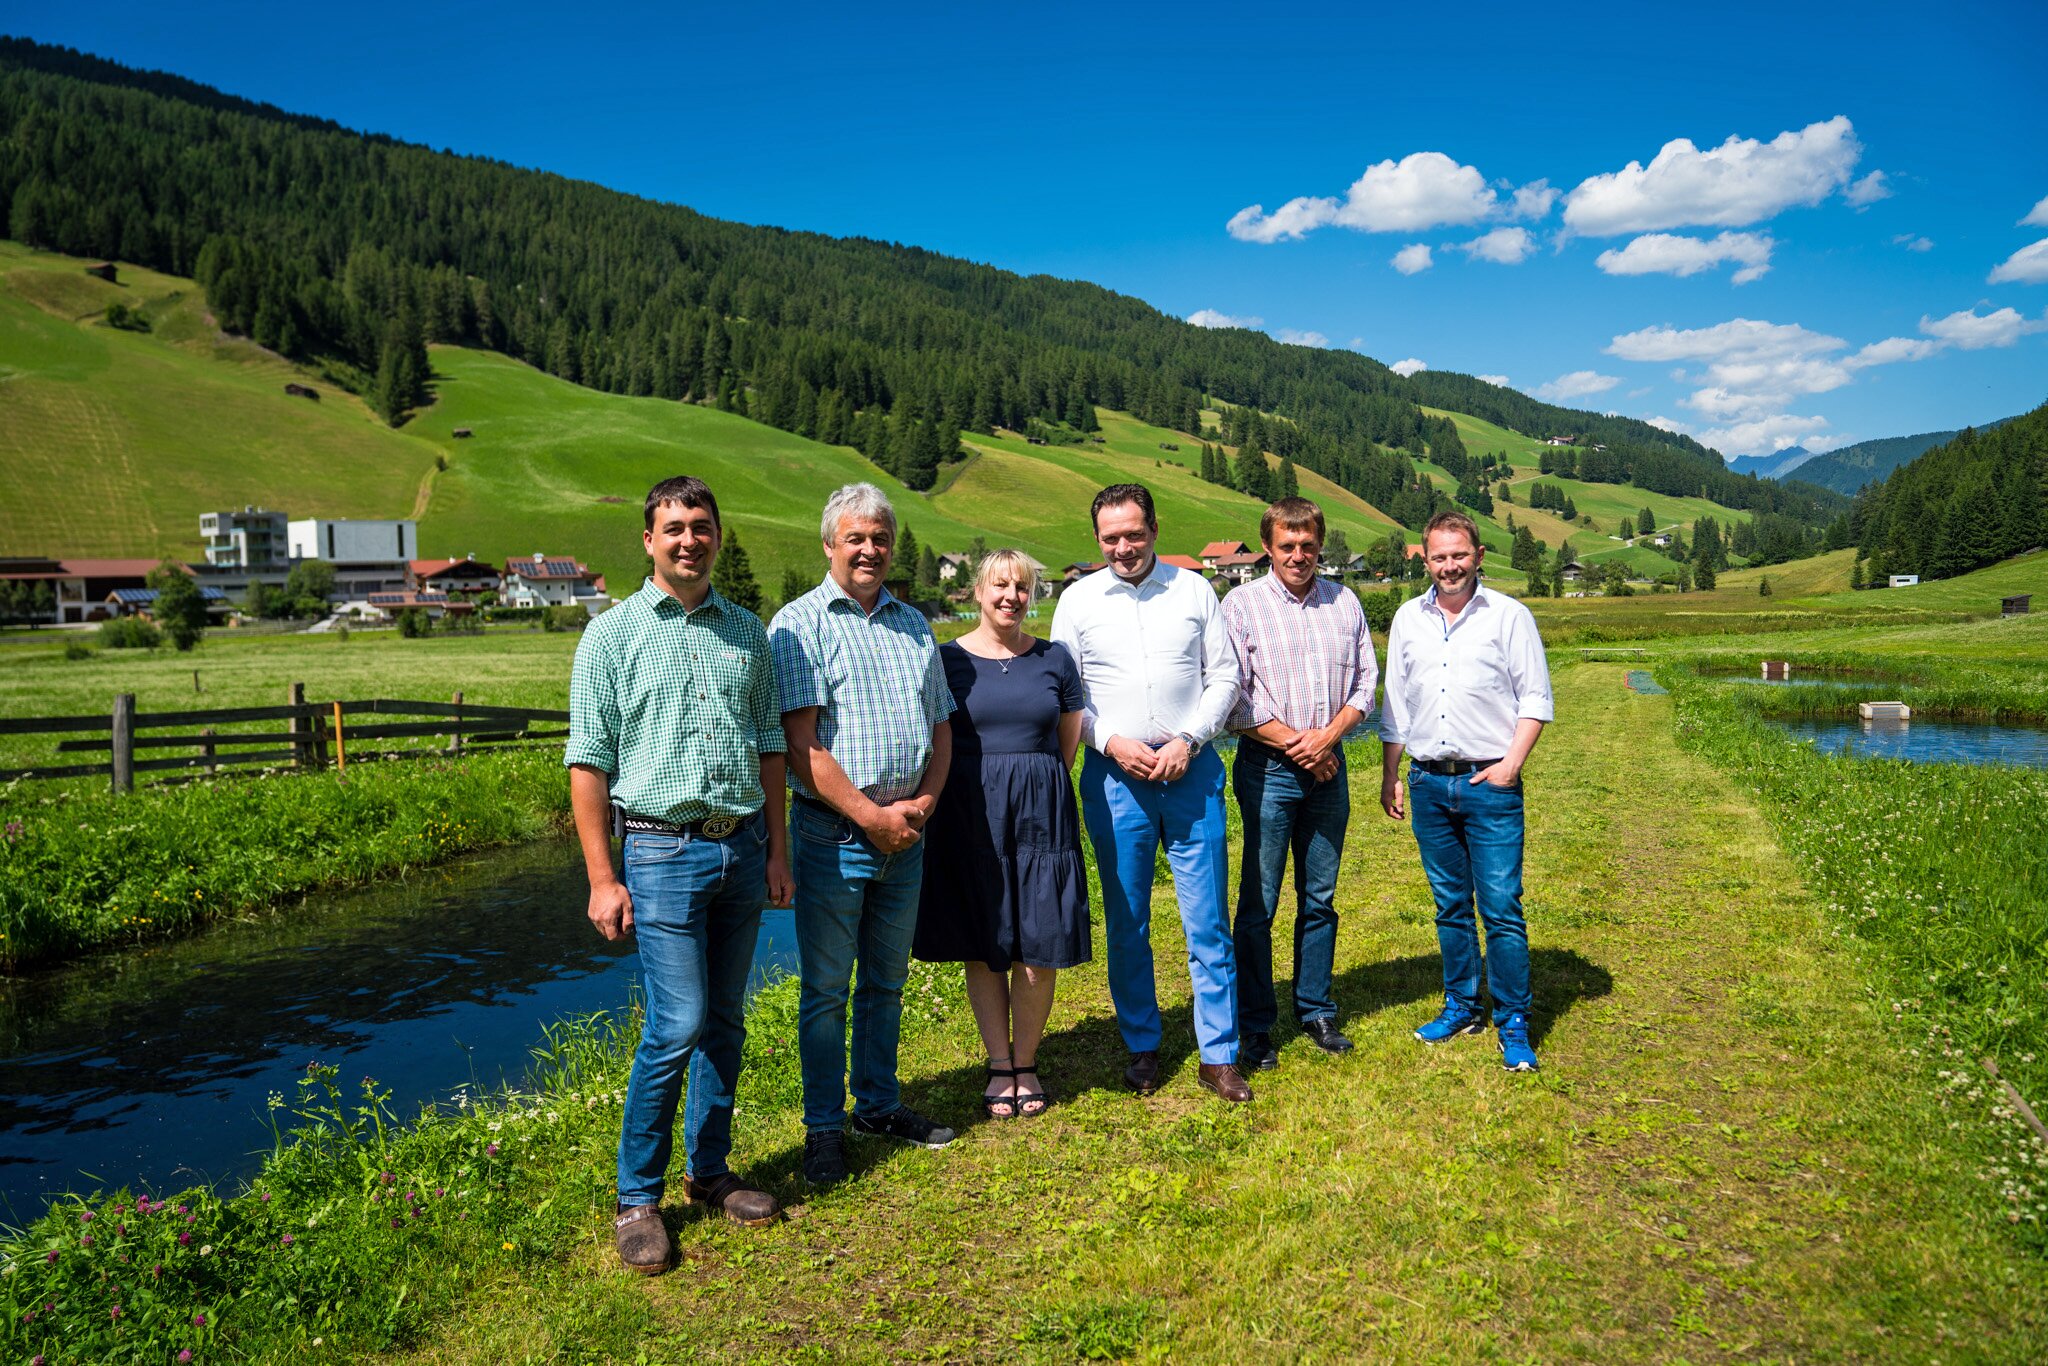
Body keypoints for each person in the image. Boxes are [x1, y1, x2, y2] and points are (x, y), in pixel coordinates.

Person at [565, 475, 795, 1276]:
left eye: (701, 525)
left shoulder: (747, 633)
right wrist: (603, 876)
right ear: (648, 540)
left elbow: (772, 745)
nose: (688, 539)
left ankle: (711, 1172)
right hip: (659, 854)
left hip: (740, 849)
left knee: (725, 1021)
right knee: (677, 1023)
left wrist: (776, 849)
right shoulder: (612, 635)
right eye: (673, 527)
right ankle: (636, 1197)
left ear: (718, 537)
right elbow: (588, 764)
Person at [769, 482, 958, 1185]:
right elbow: (802, 747)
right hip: (833, 837)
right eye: (856, 537)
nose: (870, 549)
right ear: (829, 545)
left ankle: (877, 1105)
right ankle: (823, 1128)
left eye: (880, 537)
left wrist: (924, 804)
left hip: (907, 833)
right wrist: (872, 817)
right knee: (825, 989)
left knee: (886, 981)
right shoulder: (800, 624)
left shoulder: (914, 624)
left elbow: (941, 727)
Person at [1051, 484, 1249, 1103]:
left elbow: (1225, 675)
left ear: (1155, 530)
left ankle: (1218, 1055)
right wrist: (1109, 741)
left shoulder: (1193, 588)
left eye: (1133, 534)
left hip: (1191, 773)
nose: (1123, 547)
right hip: (1115, 779)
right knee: (1128, 920)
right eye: (1111, 537)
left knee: (1208, 919)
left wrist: (1188, 739)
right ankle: (1142, 1043)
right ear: (1097, 540)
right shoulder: (1077, 601)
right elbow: (1064, 698)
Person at [914, 549, 1089, 1119]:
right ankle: (997, 1065)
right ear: (977, 592)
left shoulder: (1055, 660)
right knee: (984, 945)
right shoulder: (945, 659)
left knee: (1038, 945)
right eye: (999, 585)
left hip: (1041, 813)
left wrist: (1034, 781)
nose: (1010, 595)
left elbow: (1068, 737)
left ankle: (1027, 1062)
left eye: (1021, 586)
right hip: (970, 814)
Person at [1378, 510, 1553, 1072]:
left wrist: (1510, 766)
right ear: (1424, 560)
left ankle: (1514, 1020)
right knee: (1451, 906)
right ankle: (1461, 1005)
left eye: (1459, 555)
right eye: (1439, 556)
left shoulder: (1509, 616)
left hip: (1489, 783)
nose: (1449, 566)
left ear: (1478, 556)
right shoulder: (1408, 618)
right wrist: (1391, 775)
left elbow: (1535, 699)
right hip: (1428, 783)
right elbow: (1396, 706)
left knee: (1501, 907)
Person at [1223, 497, 1378, 1071]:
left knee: (1320, 896)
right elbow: (1235, 696)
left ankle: (1316, 1008)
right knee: (1259, 903)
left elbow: (1366, 682)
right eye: (1287, 545)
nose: (1298, 555)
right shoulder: (1241, 605)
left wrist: (1329, 738)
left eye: (1308, 544)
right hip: (1268, 768)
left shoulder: (1345, 602)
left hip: (1329, 769)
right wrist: (1301, 746)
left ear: (1320, 545)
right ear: (1267, 547)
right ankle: (1257, 1025)